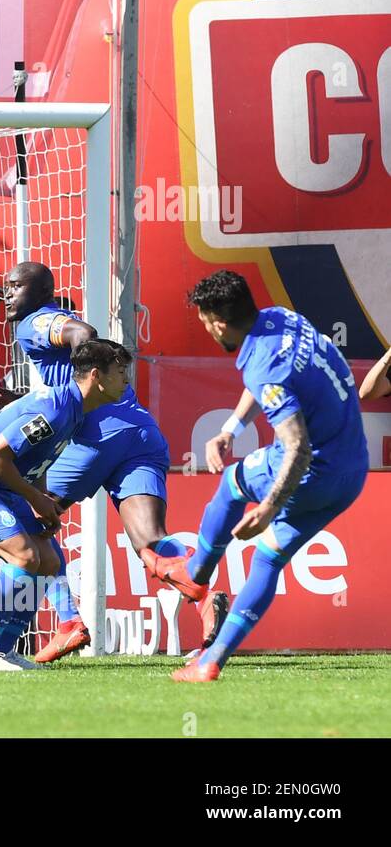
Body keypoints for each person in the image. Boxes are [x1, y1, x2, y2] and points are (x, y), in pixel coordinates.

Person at [0, 262, 227, 662]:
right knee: (149, 542)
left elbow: (83, 336)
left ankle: (66, 623)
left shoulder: (34, 322)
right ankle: (204, 597)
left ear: (41, 292)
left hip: (96, 438)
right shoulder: (50, 322)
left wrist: (89, 361)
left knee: (29, 522)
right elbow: (67, 385)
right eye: (5, 287)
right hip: (140, 432)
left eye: (15, 286)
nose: (6, 294)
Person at [173, 271, 367, 681]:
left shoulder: (263, 366)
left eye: (205, 322)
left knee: (232, 484)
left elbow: (296, 446)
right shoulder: (282, 319)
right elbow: (270, 386)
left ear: (218, 322)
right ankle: (210, 662)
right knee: (269, 557)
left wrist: (269, 506)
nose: (207, 330)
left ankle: (194, 577)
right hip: (351, 474)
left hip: (311, 468)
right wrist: (230, 429)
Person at [0, 340, 131, 670]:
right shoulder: (54, 408)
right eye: (122, 372)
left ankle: (4, 649)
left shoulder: (76, 411)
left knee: (49, 561)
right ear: (97, 376)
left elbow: (36, 460)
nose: (126, 381)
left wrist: (39, 502)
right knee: (24, 555)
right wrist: (35, 497)